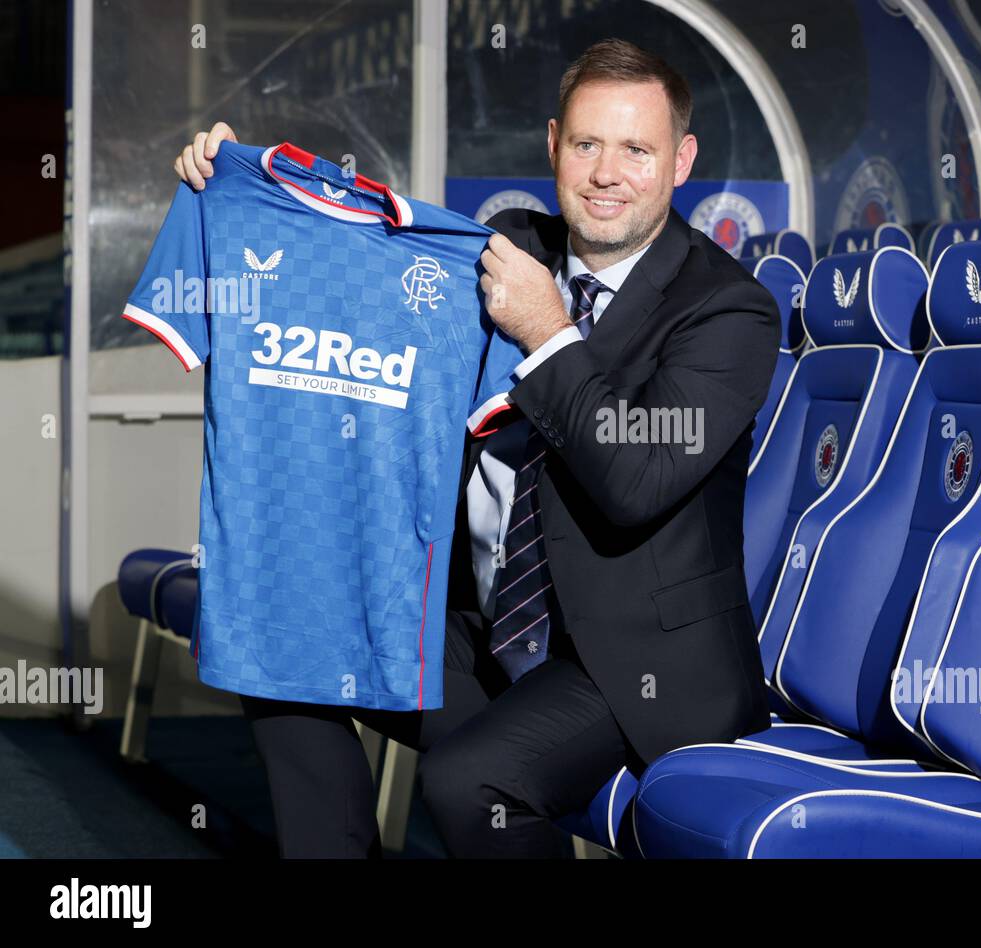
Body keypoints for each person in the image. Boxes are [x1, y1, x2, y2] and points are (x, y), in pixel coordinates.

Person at [172, 38, 778, 858]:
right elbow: (359, 246)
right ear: (554, 145)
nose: (607, 172)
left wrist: (547, 331)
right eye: (588, 144)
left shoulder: (728, 311)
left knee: (469, 780)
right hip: (489, 628)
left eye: (637, 149)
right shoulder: (503, 244)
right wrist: (234, 180)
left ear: (681, 161)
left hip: (634, 666)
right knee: (289, 648)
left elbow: (636, 477)